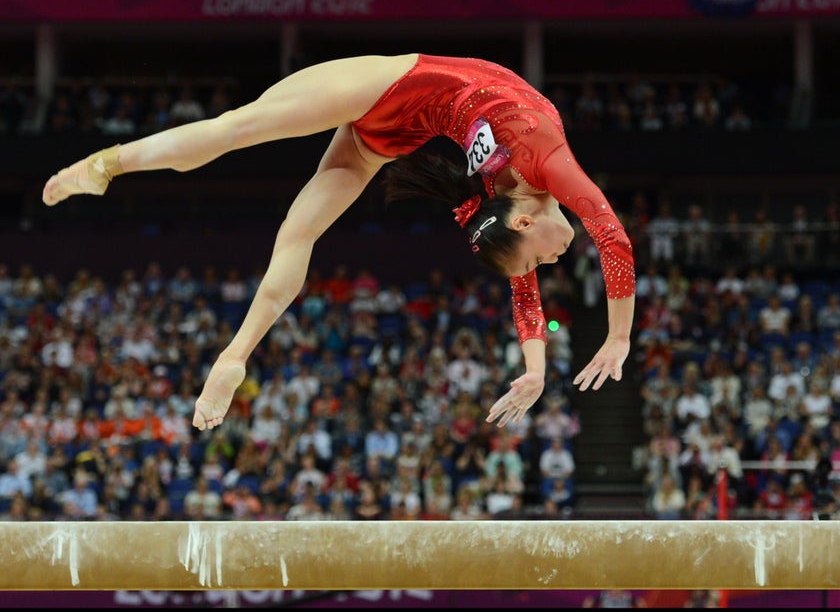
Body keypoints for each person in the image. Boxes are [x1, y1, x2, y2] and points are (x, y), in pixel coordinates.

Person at [43, 53, 636, 432]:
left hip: (397, 126)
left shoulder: (501, 205)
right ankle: (107, 164)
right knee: (236, 130)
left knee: (296, 232)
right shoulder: (547, 161)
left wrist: (535, 371)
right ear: (526, 223)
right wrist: (617, 337)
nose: (556, 259)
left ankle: (236, 353)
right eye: (544, 258)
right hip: (380, 84)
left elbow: (524, 291)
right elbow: (613, 240)